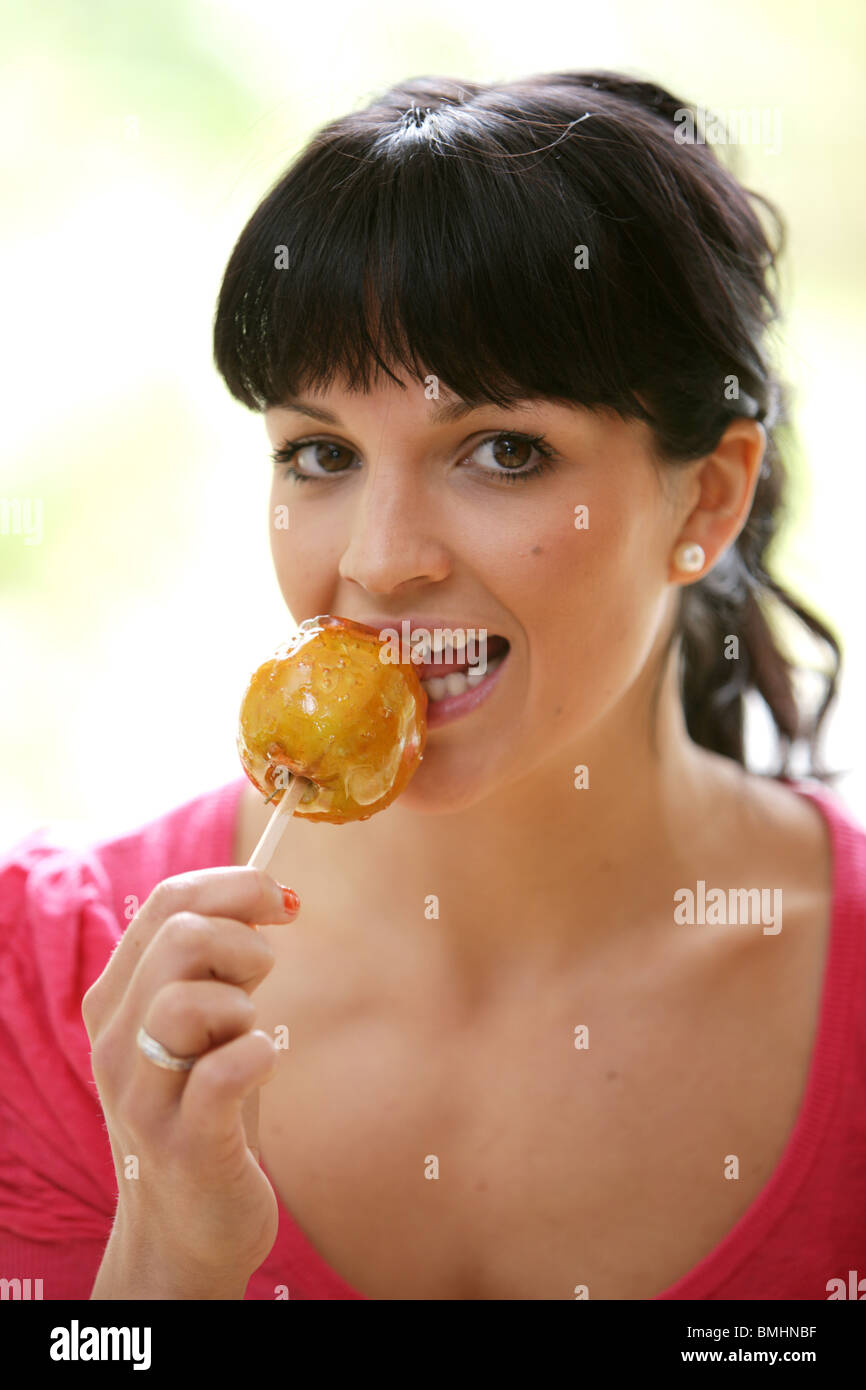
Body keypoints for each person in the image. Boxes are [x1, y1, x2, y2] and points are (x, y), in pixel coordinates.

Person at [2, 70, 865, 1302]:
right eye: (321, 454)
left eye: (501, 452)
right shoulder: (46, 983)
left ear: (708, 497)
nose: (376, 559)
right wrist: (168, 1257)